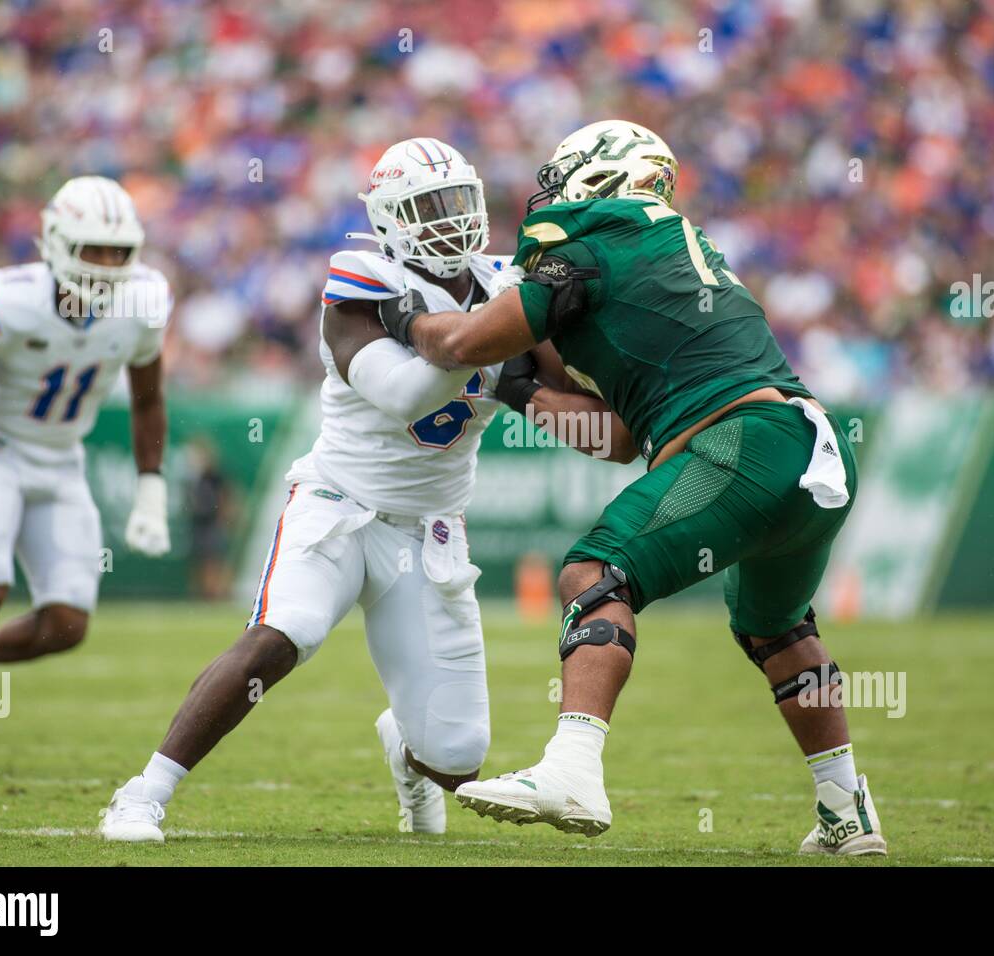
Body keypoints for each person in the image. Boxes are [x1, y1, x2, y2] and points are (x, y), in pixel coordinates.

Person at [376, 120, 886, 855]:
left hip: (742, 444)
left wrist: (408, 318)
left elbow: (460, 343)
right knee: (779, 631)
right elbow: (618, 440)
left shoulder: (593, 237)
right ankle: (847, 810)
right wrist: (523, 394)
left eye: (561, 176)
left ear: (598, 176)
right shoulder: (657, 245)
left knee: (595, 571)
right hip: (811, 454)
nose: (548, 192)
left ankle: (573, 767)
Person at [100, 138, 510, 842]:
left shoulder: (503, 287)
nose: (451, 221)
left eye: (458, 203)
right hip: (338, 506)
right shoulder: (362, 279)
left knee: (457, 757)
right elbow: (407, 393)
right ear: (390, 220)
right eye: (429, 208)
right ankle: (144, 791)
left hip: (430, 529)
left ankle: (407, 751)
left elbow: (555, 392)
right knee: (286, 633)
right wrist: (503, 326)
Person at [0, 176, 172, 775]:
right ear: (53, 244)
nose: (106, 268)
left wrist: (150, 487)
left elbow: (149, 399)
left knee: (66, 625)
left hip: (62, 459)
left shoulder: (144, 302)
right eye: (91, 251)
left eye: (118, 253)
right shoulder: (10, 299)